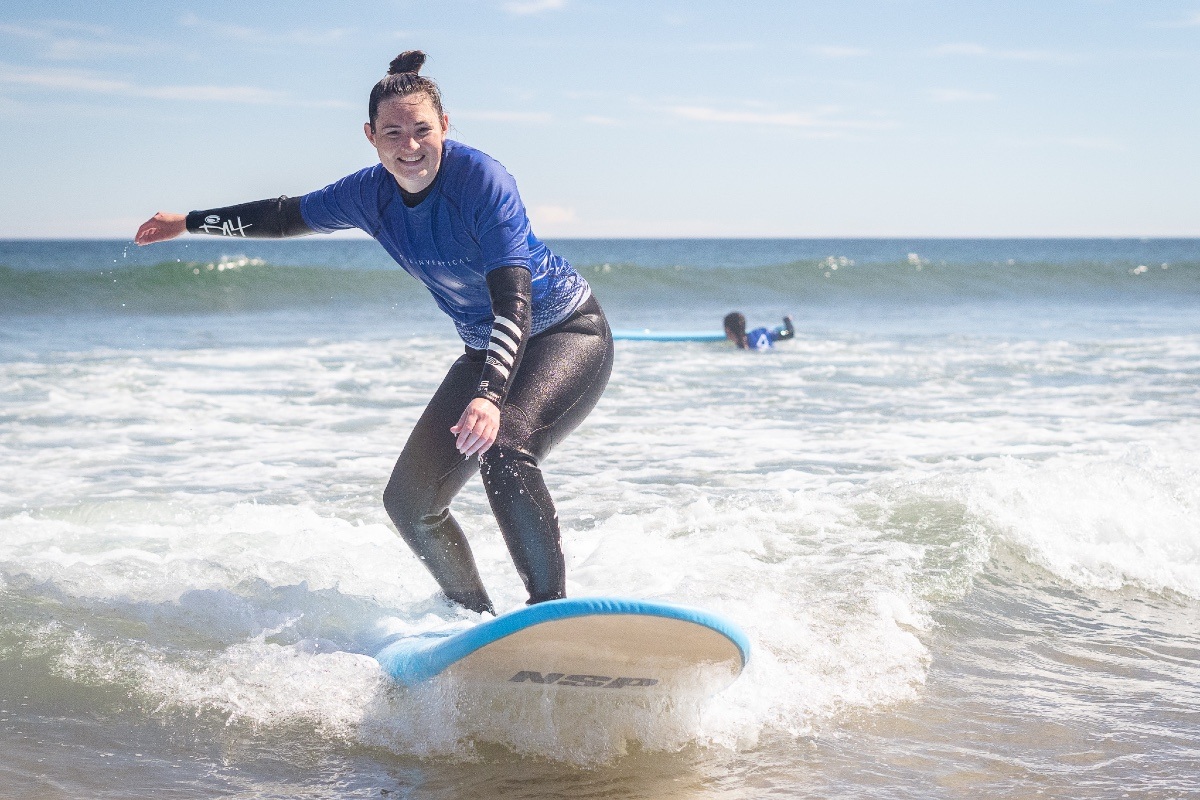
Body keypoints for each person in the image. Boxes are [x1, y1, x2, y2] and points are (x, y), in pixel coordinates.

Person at [134, 51, 613, 616]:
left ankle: (550, 614)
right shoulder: (368, 194)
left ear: (445, 126)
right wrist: (189, 222)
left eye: (422, 130)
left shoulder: (482, 181)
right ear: (371, 136)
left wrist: (488, 396)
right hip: (486, 349)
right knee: (410, 503)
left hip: (565, 333)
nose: (410, 146)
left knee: (505, 448)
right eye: (393, 133)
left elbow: (514, 299)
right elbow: (284, 216)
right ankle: (474, 622)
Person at [723, 312, 795, 351]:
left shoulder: (741, 346)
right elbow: (789, 333)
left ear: (727, 330)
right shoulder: (764, 332)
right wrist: (787, 321)